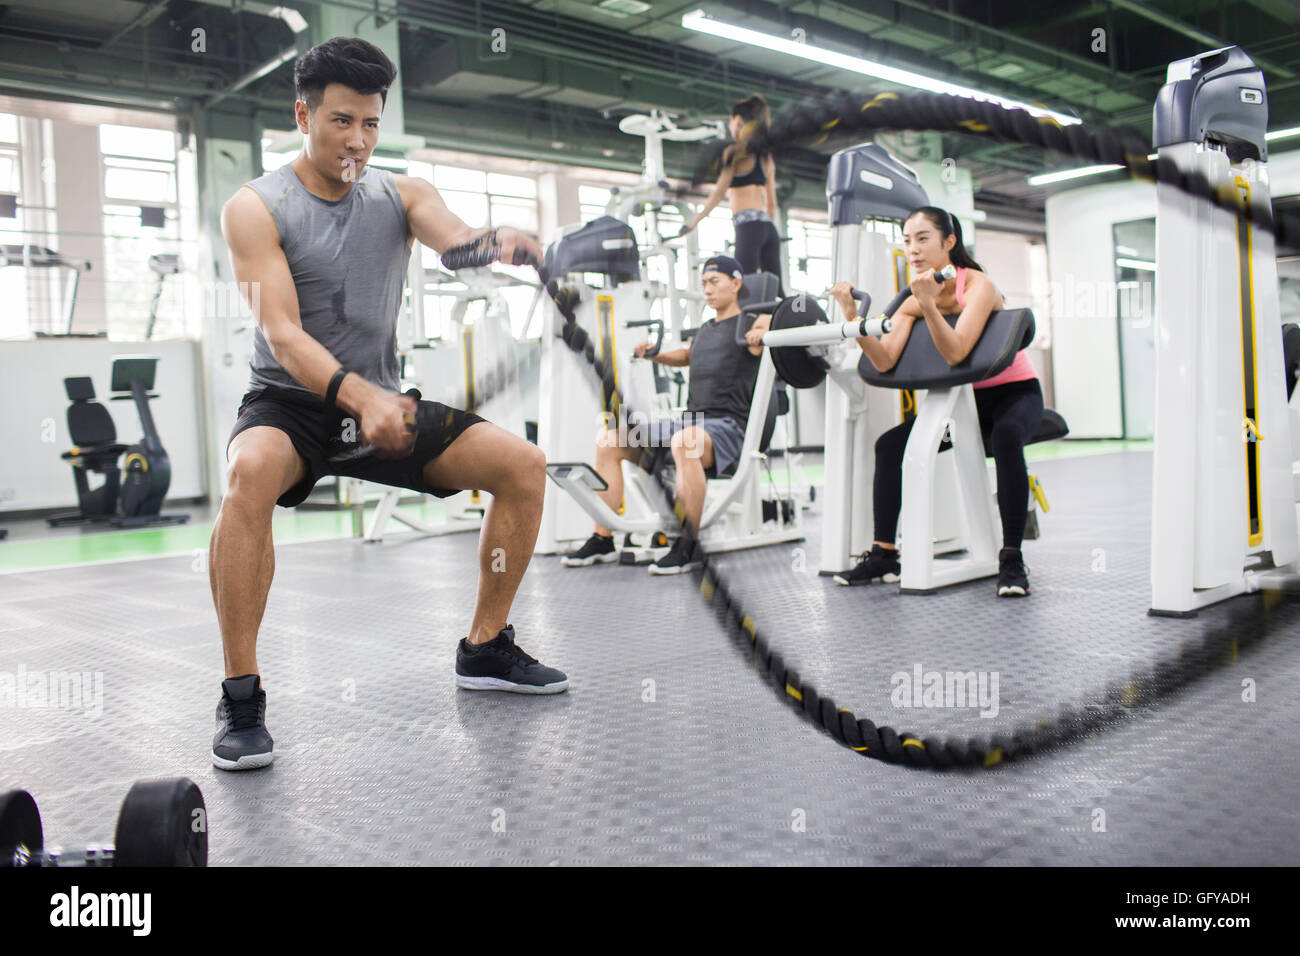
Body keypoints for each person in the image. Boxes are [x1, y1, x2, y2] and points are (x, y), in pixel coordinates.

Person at [211, 37, 567, 772]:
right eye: (342, 121)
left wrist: (498, 242)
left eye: (370, 123)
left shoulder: (399, 192)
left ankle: (485, 648)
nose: (358, 141)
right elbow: (281, 332)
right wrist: (355, 393)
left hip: (384, 407)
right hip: (291, 403)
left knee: (523, 467)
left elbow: (457, 243)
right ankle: (241, 695)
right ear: (302, 113)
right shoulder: (254, 207)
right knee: (248, 475)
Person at [831, 206, 1043, 597]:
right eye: (907, 240)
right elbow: (883, 360)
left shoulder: (978, 286)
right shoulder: (914, 298)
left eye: (923, 238)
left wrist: (928, 303)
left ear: (949, 242)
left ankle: (1011, 557)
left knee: (1006, 438)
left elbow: (957, 353)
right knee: (891, 446)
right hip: (964, 406)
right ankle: (884, 555)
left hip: (1013, 395)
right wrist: (853, 320)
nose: (912, 249)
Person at [562, 255, 771, 574]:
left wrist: (762, 329)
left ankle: (689, 546)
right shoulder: (706, 329)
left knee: (685, 442)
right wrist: (657, 354)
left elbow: (772, 323)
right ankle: (602, 539)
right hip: (691, 423)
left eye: (715, 282)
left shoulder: (752, 323)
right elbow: (687, 355)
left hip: (728, 427)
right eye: (703, 283)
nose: (708, 289)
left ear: (737, 283)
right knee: (609, 441)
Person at [679, 95, 782, 293]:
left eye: (731, 121)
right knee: (775, 289)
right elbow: (771, 204)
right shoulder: (766, 157)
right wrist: (765, 231)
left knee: (743, 287)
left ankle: (750, 325)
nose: (730, 126)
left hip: (748, 226)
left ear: (738, 121)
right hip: (768, 228)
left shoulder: (734, 153)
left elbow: (718, 193)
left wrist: (693, 221)